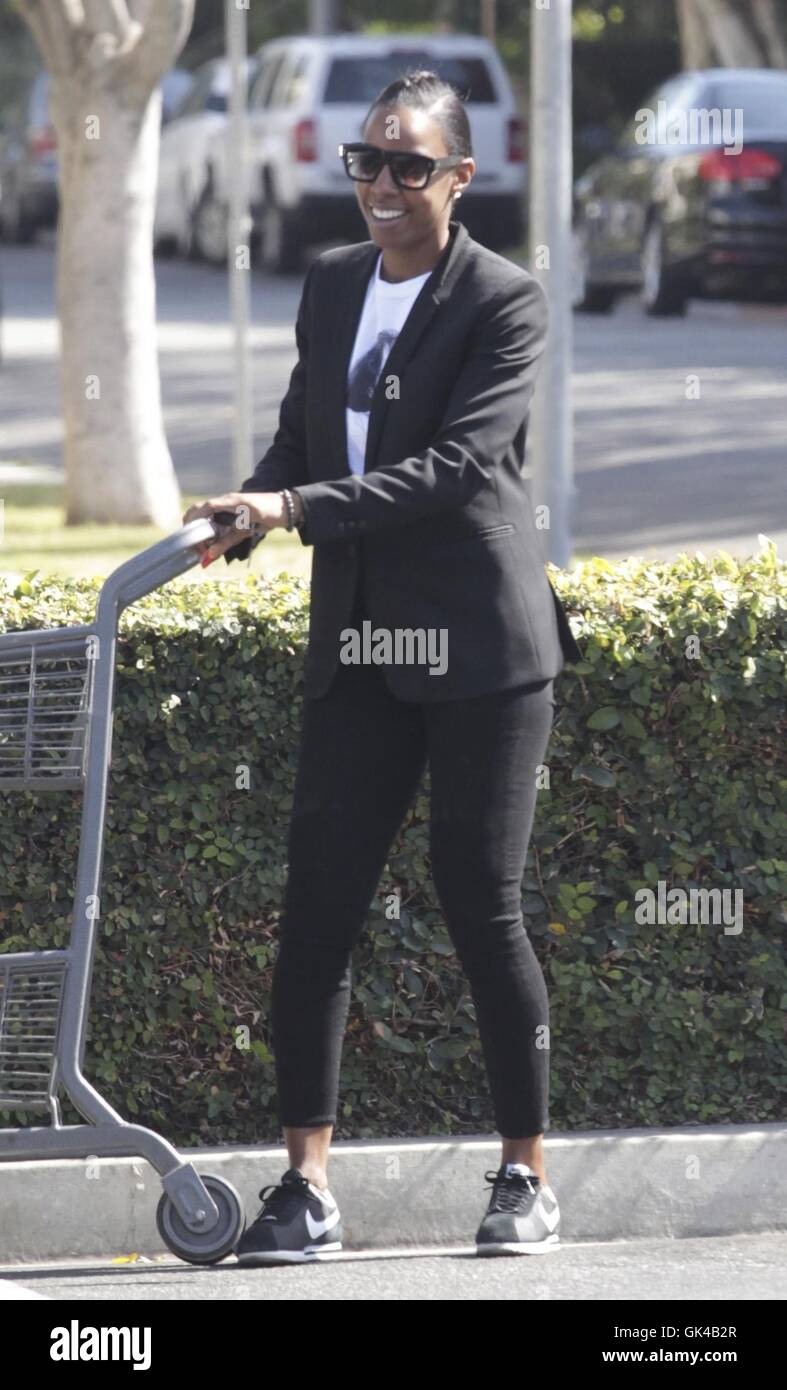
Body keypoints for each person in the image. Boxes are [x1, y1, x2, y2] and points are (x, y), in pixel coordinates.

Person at [183, 70, 582, 1265]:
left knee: (480, 904)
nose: (384, 186)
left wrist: (292, 502)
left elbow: (455, 470)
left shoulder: (504, 303)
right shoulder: (331, 284)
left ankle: (524, 1175)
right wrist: (247, 508)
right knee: (317, 913)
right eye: (367, 161)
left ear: (461, 178)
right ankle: (304, 1189)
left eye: (411, 166)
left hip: (482, 646)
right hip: (357, 641)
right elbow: (306, 432)